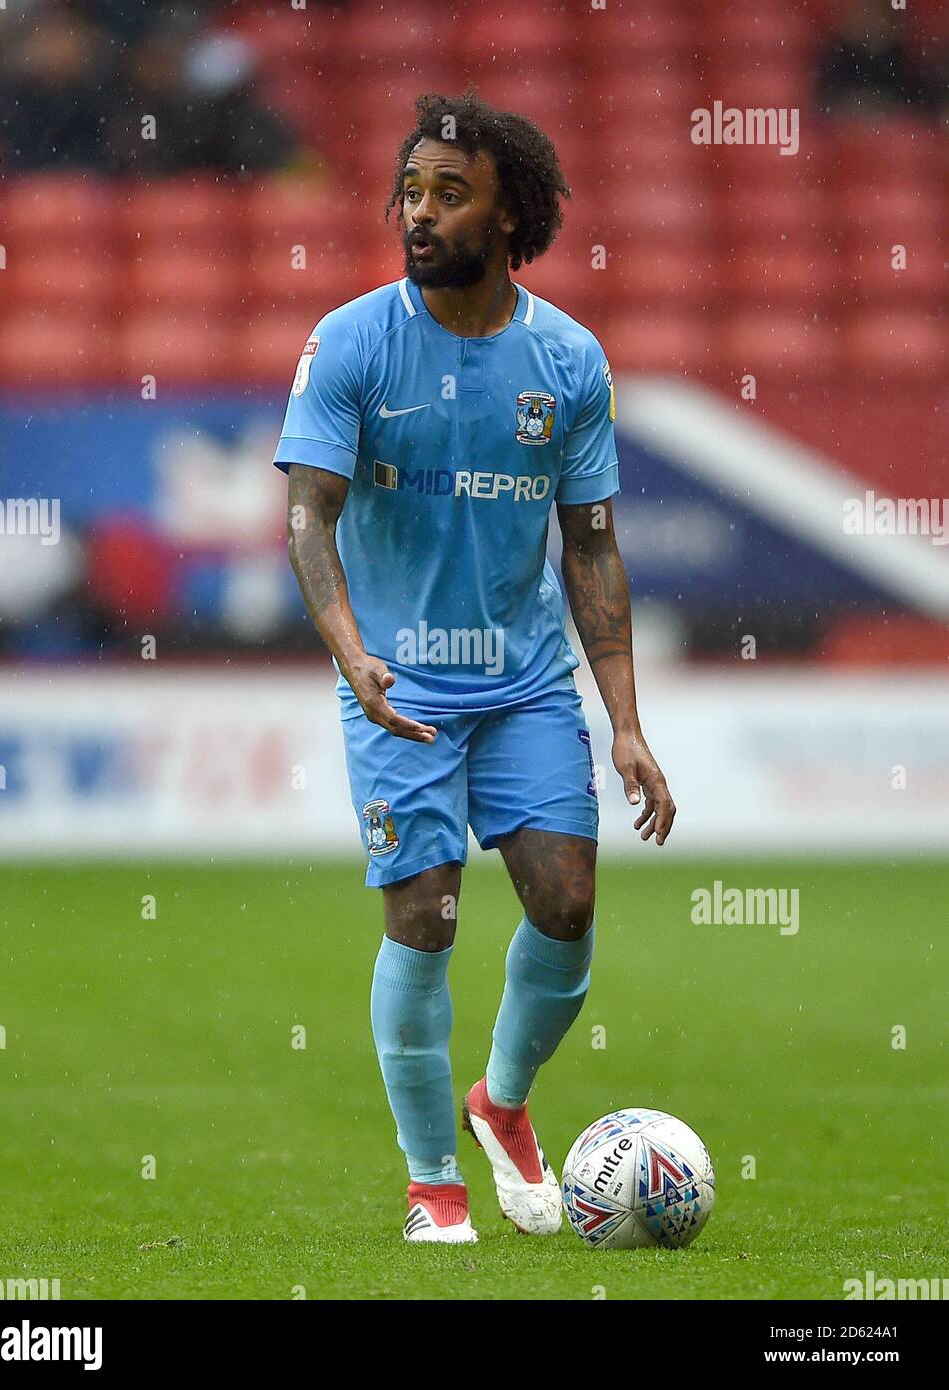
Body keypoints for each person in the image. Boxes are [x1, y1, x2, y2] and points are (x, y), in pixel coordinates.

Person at [274, 90, 675, 1244]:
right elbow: (309, 517)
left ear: (512, 217)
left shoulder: (568, 360)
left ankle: (500, 1101)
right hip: (398, 686)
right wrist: (350, 651)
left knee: (567, 896)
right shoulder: (350, 340)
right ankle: (431, 1183)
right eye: (409, 189)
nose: (420, 211)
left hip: (523, 682)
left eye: (450, 193)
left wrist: (627, 724)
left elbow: (590, 544)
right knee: (426, 917)